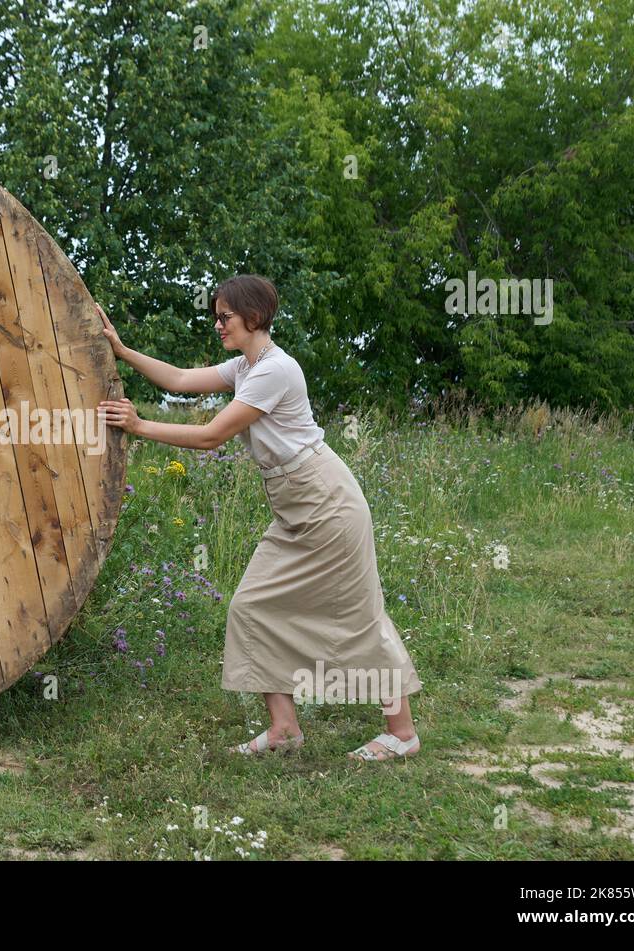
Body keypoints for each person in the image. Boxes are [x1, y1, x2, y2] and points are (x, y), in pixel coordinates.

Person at [96, 275, 423, 762]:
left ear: (253, 317)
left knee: (358, 614)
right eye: (215, 315)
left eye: (224, 316)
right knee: (251, 608)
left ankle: (401, 733)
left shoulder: (276, 370)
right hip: (293, 506)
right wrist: (123, 351)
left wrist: (139, 425)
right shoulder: (245, 367)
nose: (217, 324)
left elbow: (211, 437)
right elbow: (183, 380)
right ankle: (284, 730)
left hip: (327, 504)